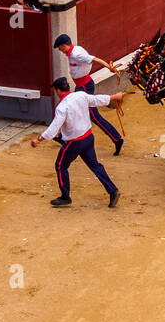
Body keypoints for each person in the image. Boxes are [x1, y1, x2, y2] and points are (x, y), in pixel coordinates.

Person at [31, 77, 123, 207]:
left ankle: (65, 196)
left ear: (58, 91)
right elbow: (97, 100)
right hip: (88, 138)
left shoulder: (62, 107)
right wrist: (115, 96)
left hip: (74, 143)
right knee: (95, 165)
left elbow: (53, 130)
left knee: (60, 166)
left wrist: (39, 139)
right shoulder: (81, 95)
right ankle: (112, 190)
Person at [53, 34, 124, 153]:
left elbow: (94, 59)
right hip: (82, 85)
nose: (61, 51)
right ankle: (63, 137)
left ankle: (117, 139)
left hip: (85, 86)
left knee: (94, 117)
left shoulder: (76, 54)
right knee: (72, 108)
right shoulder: (75, 51)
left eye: (60, 49)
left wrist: (108, 67)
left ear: (64, 46)